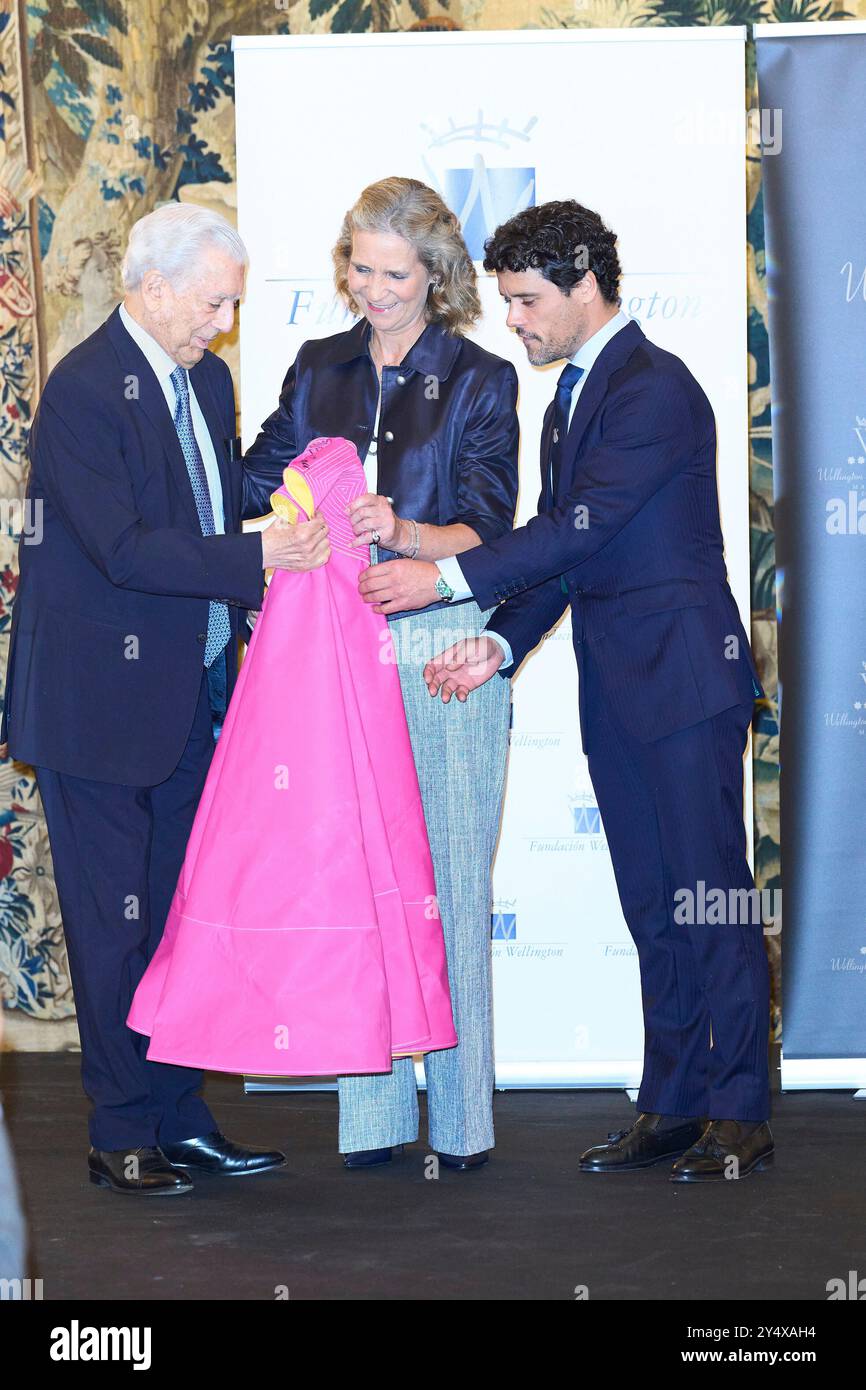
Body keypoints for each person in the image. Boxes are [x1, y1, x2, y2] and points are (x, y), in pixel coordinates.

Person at [370, 200, 774, 1183]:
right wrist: (497, 648)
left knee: (707, 897)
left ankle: (740, 1112)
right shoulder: (574, 397)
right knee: (650, 905)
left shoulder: (651, 389)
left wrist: (446, 579)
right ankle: (672, 1102)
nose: (512, 319)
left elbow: (576, 531)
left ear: (584, 283)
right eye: (507, 301)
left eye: (523, 300)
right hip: (621, 690)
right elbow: (563, 558)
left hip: (682, 683)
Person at [0, 203, 329, 1196]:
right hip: (98, 711)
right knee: (115, 926)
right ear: (150, 284)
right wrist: (256, 553)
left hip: (191, 698)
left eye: (229, 304)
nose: (221, 323)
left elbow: (208, 498)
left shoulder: (208, 379)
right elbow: (126, 548)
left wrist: (301, 501)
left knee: (185, 922)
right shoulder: (86, 389)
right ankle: (120, 1129)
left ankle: (182, 1115)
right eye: (212, 301)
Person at [243, 177, 519, 1171]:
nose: (373, 289)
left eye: (394, 273)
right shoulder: (317, 365)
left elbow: (491, 522)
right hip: (332, 659)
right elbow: (256, 477)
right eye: (358, 268)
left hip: (441, 644)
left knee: (446, 880)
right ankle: (371, 1116)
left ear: (436, 274)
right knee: (355, 883)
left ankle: (460, 1117)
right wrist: (292, 516)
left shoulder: (481, 377)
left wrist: (404, 533)